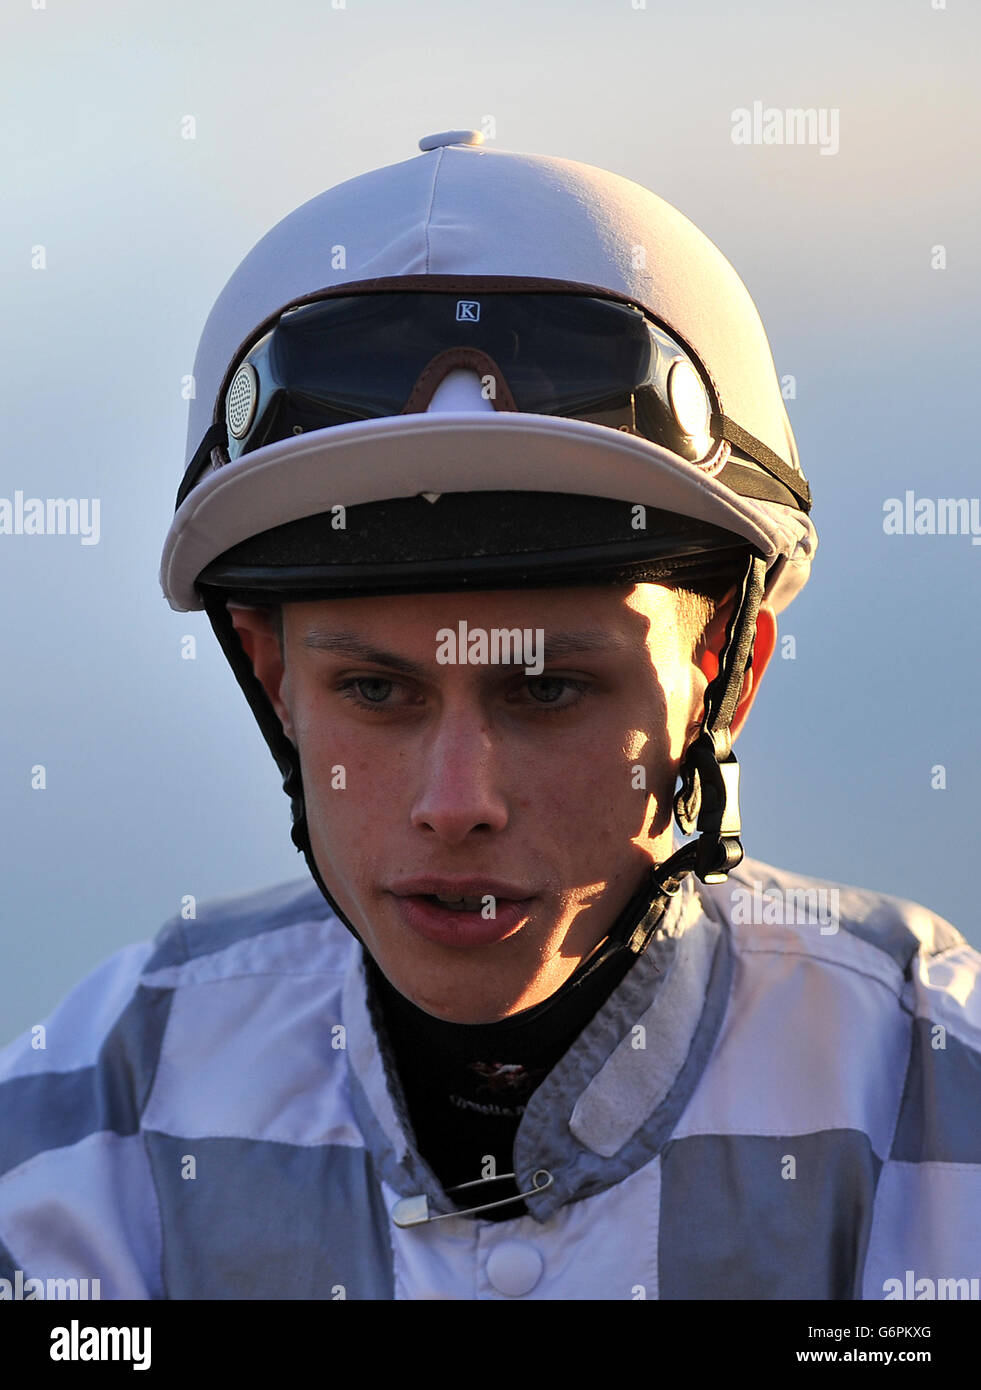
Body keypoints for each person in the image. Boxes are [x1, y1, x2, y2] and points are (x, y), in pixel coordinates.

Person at [1, 129, 978, 1303]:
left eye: (549, 689)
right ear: (273, 681)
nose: (455, 803)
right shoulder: (98, 1103)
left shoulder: (936, 1082)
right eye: (375, 691)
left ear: (732, 667)